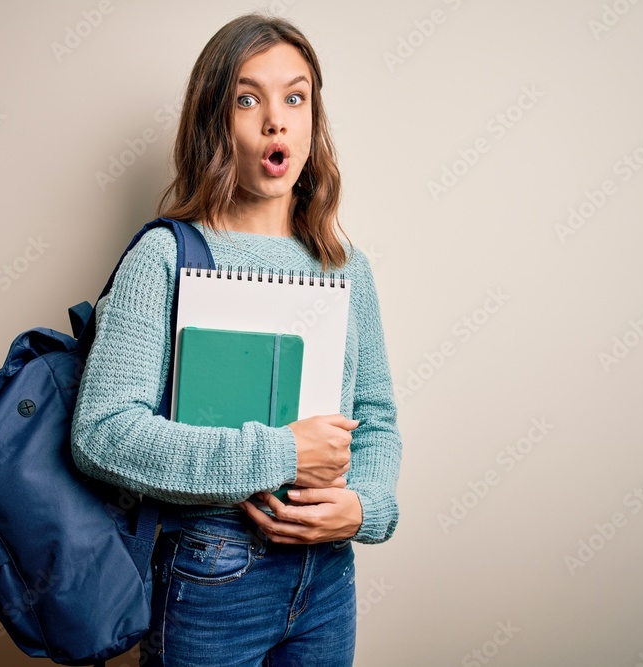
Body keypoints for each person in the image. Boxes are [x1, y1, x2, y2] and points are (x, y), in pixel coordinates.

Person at [71, 12, 401, 666]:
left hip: (327, 578)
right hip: (213, 574)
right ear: (213, 122)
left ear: (313, 119)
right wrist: (283, 452)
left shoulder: (346, 266)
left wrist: (364, 507)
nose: (276, 120)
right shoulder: (163, 257)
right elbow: (102, 433)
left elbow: (376, 416)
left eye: (295, 98)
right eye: (248, 100)